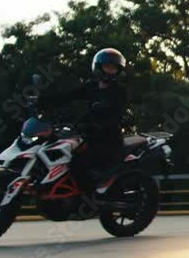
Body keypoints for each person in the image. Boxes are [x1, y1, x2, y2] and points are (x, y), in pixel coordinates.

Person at [39, 48, 129, 193]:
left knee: (77, 162)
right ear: (99, 68)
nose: (110, 71)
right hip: (88, 136)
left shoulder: (119, 91)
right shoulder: (90, 87)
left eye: (113, 68)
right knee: (63, 155)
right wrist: (41, 101)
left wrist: (102, 125)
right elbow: (67, 97)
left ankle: (90, 197)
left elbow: (118, 114)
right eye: (107, 67)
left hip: (109, 139)